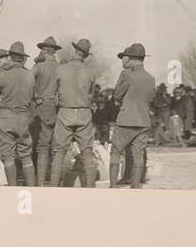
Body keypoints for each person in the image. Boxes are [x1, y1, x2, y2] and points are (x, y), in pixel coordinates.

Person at [50, 38, 98, 188]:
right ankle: (90, 187)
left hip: (65, 111)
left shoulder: (61, 69)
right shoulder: (91, 72)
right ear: (86, 55)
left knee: (59, 152)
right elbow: (91, 95)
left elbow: (53, 93)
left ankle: (53, 187)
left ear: (75, 51)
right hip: (84, 113)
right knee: (87, 152)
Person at [0, 41, 38, 186]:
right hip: (23, 118)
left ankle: (12, 189)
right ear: (22, 58)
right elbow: (33, 96)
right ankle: (31, 188)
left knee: (8, 156)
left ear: (10, 56)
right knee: (26, 155)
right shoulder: (30, 76)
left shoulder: (3, 75)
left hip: (6, 117)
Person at [109, 42, 155, 189]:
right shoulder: (151, 78)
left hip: (126, 120)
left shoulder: (127, 74)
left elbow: (117, 95)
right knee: (138, 155)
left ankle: (113, 186)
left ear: (132, 58)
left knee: (115, 152)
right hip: (143, 121)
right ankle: (135, 187)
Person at [31, 36, 62, 185]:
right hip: (56, 107)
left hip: (40, 106)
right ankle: (54, 181)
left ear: (44, 50)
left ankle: (41, 182)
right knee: (55, 145)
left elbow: (27, 81)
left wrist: (36, 96)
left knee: (42, 145)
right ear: (54, 51)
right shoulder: (60, 68)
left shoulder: (38, 67)